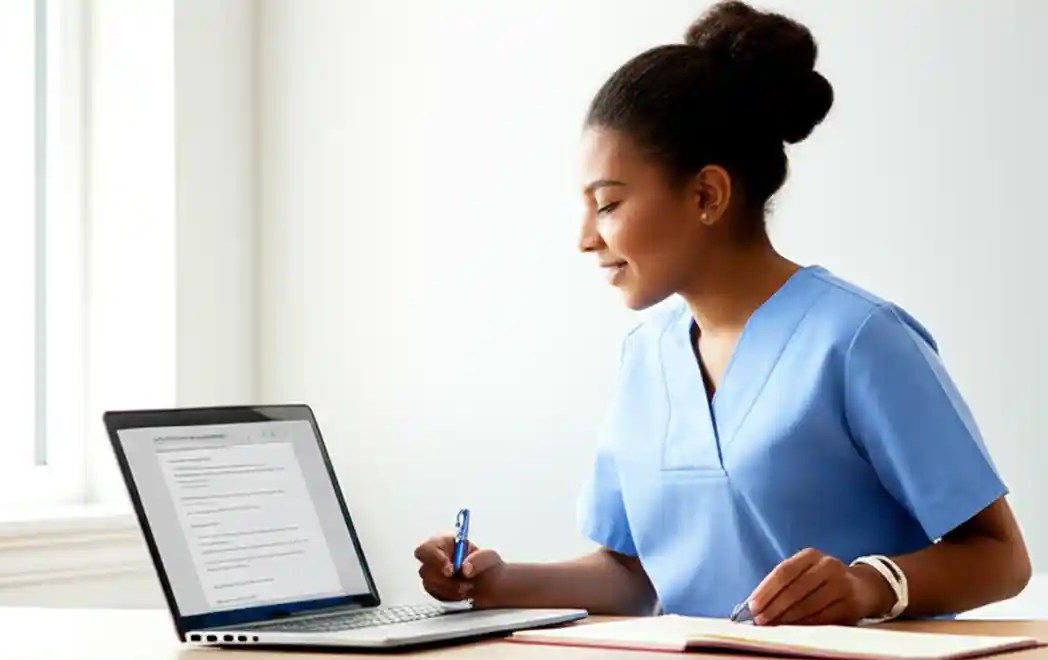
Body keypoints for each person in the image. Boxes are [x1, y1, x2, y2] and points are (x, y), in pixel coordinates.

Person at [414, 1, 1031, 626]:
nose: (585, 237)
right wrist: (491, 582)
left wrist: (872, 585)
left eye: (608, 204)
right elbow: (632, 577)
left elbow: (1000, 556)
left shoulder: (859, 341)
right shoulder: (645, 356)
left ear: (707, 194)